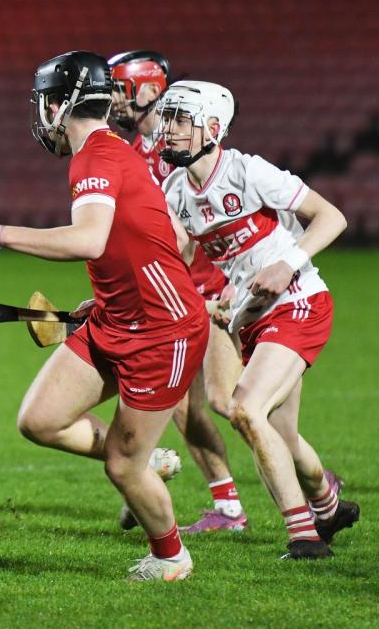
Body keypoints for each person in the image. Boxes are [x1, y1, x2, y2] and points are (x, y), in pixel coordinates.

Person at [0, 51, 209, 581]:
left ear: (61, 105)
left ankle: (171, 556)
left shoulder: (95, 158)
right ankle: (147, 460)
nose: (42, 115)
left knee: (120, 466)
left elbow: (90, 238)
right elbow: (168, 239)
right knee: (39, 420)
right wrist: (114, 295)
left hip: (162, 333)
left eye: (46, 103)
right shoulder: (111, 152)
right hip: (116, 318)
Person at [158, 80, 360, 560]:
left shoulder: (248, 172)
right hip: (251, 321)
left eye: (179, 120)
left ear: (211, 127)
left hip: (298, 301)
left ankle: (305, 536)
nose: (168, 130)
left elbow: (331, 217)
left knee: (243, 408)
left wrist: (287, 262)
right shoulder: (174, 190)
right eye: (167, 119)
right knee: (282, 436)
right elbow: (174, 262)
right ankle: (327, 507)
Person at [109, 50, 248, 533]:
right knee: (176, 403)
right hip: (177, 294)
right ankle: (226, 506)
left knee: (230, 403)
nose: (115, 100)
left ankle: (311, 485)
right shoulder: (134, 154)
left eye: (123, 89)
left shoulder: (183, 145)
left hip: (217, 290)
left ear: (151, 89)